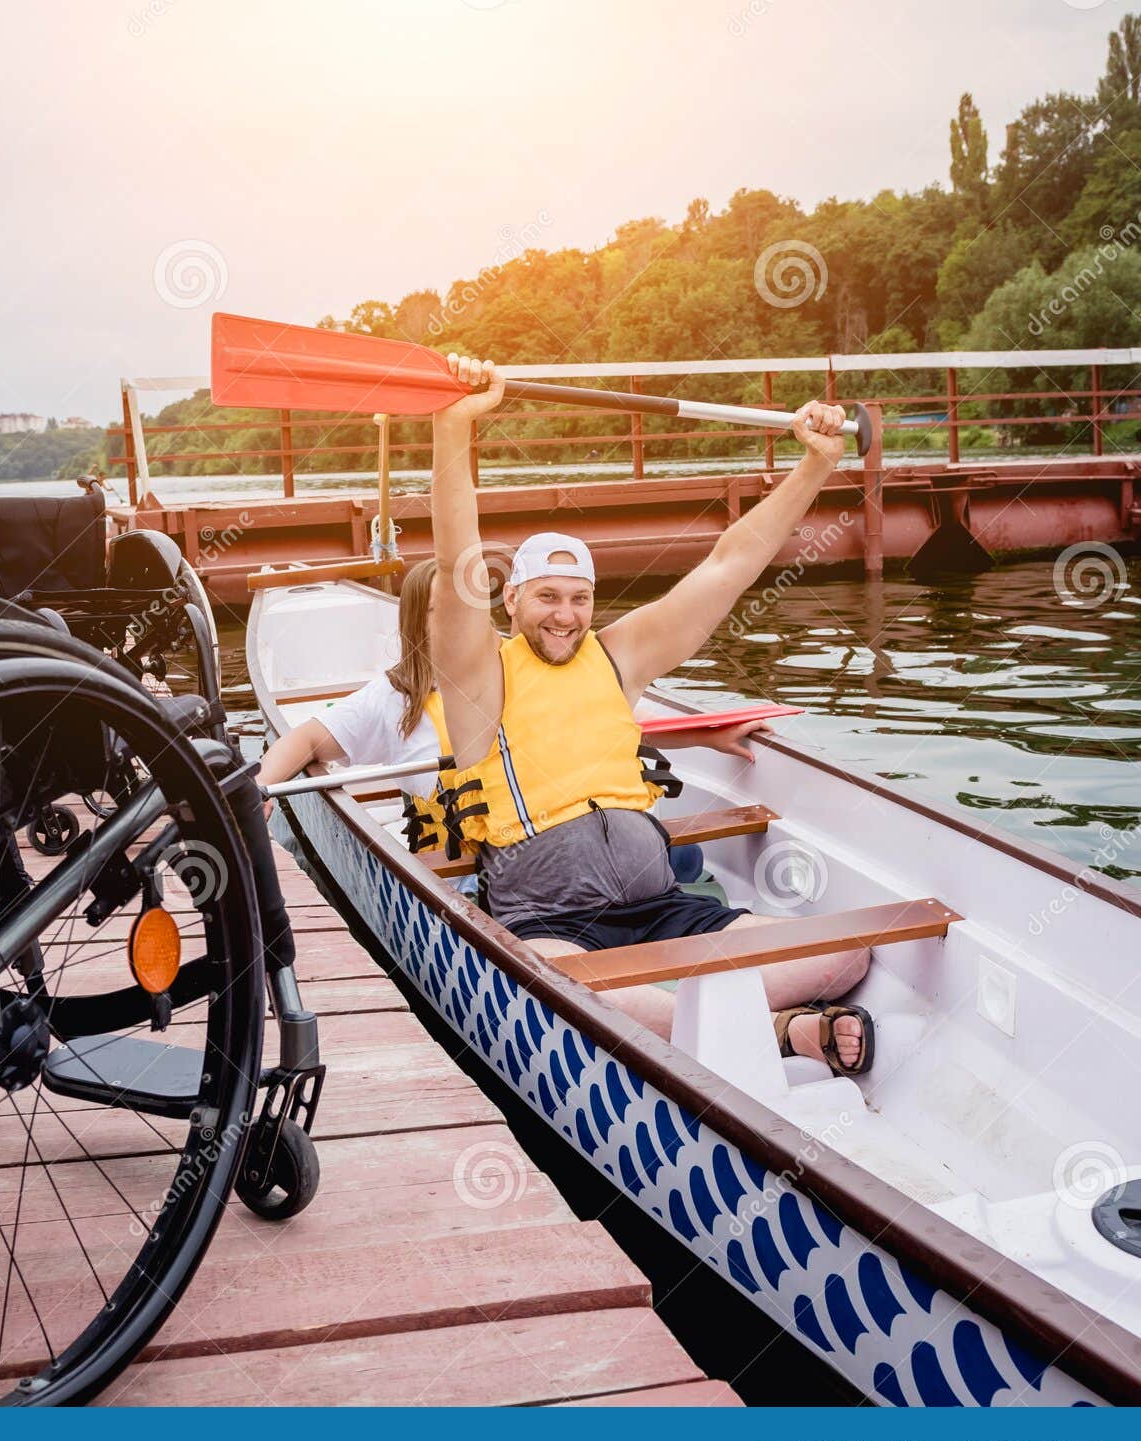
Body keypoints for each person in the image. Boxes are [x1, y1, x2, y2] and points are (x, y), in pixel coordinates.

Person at [427, 355, 872, 1076]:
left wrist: (815, 465)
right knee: (571, 988)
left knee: (845, 953)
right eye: (547, 597)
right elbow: (455, 570)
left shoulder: (617, 656)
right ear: (509, 598)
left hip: (663, 905)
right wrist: (453, 430)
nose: (565, 615)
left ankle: (709, 1017)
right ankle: (775, 1029)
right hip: (551, 923)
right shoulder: (481, 676)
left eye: (579, 598)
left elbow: (729, 564)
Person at [257, 560, 771, 872]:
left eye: (469, 611)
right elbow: (304, 742)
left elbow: (608, 729)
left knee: (682, 858)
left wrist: (705, 735)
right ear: (418, 622)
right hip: (472, 865)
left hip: (561, 843)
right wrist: (259, 787)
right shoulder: (395, 698)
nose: (462, 625)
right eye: (444, 613)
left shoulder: (523, 664)